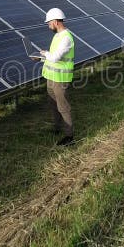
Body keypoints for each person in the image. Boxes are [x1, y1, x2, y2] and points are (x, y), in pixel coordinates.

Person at [39, 8, 75, 146]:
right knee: (53, 104)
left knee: (63, 107)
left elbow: (55, 57)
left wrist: (45, 53)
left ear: (55, 22)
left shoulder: (66, 38)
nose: (48, 26)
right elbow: (53, 58)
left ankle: (69, 137)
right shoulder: (57, 36)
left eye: (49, 23)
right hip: (51, 77)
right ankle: (57, 128)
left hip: (60, 79)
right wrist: (41, 58)